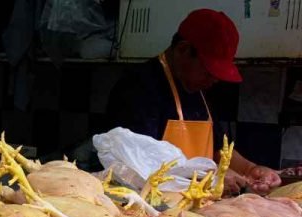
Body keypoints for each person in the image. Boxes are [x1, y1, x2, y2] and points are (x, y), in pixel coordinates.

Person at [107, 8, 281, 195]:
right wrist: (210, 177)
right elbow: (138, 165)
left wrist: (250, 170)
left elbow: (217, 150)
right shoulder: (139, 88)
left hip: (197, 206)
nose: (214, 80)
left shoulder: (197, 88)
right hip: (151, 206)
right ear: (183, 49)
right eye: (208, 71)